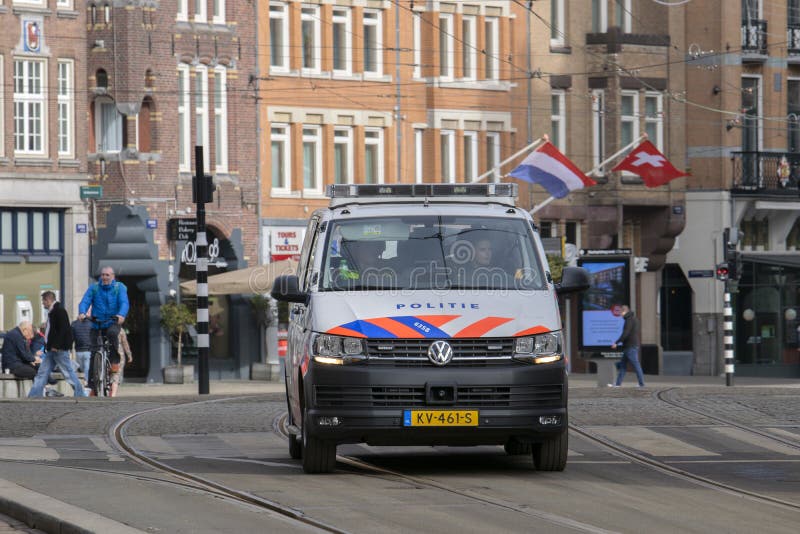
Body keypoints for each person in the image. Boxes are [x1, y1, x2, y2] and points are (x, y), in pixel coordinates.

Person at [78, 266, 129, 393]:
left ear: (113, 276)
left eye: (107, 275)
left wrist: (121, 315)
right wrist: (82, 312)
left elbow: (124, 302)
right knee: (94, 350)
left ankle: (114, 360)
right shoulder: (94, 287)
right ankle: (92, 384)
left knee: (112, 334)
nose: (105, 277)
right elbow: (85, 301)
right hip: (97, 322)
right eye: (103, 275)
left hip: (113, 320)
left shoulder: (119, 288)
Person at [29, 291, 86, 398]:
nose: (43, 304)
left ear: (48, 300)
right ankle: (34, 394)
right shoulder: (53, 311)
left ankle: (80, 393)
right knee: (42, 372)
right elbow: (52, 330)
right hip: (52, 349)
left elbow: (63, 330)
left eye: (43, 301)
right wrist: (48, 345)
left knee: (67, 372)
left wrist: (56, 345)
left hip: (58, 349)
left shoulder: (59, 311)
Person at [609, 304, 645, 388]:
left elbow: (626, 333)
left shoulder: (629, 320)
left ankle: (641, 384)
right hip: (631, 345)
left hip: (630, 346)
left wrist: (616, 343)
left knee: (636, 365)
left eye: (620, 312)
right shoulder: (635, 319)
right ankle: (618, 384)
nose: (620, 314)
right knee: (623, 366)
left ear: (624, 311)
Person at [110, 328, 133, 397]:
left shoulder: (103, 327)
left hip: (106, 351)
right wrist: (129, 355)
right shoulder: (120, 329)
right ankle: (113, 394)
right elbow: (125, 343)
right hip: (118, 353)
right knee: (116, 373)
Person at [71, 317, 93, 387]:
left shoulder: (74, 324)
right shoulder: (91, 324)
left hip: (78, 350)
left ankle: (83, 382)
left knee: (82, 368)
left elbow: (71, 337)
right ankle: (86, 382)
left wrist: (70, 349)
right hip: (88, 349)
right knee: (87, 367)